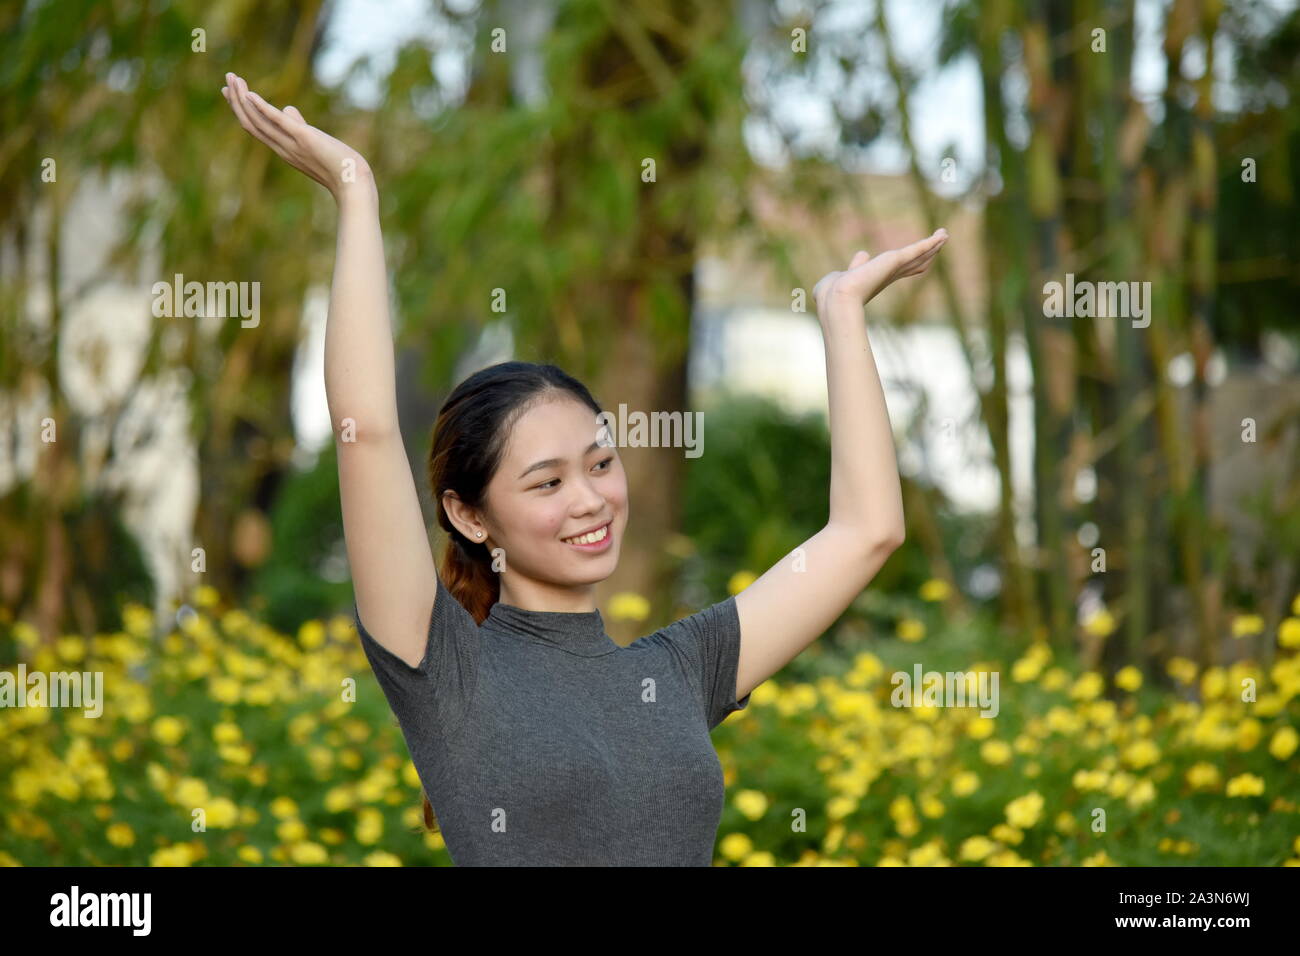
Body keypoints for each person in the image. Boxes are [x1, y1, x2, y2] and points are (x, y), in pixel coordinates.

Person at [220, 71, 947, 865]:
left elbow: (867, 532)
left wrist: (841, 314)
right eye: (547, 482)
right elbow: (364, 432)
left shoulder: (681, 670)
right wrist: (357, 193)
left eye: (600, 463)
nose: (591, 499)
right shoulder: (447, 668)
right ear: (469, 515)